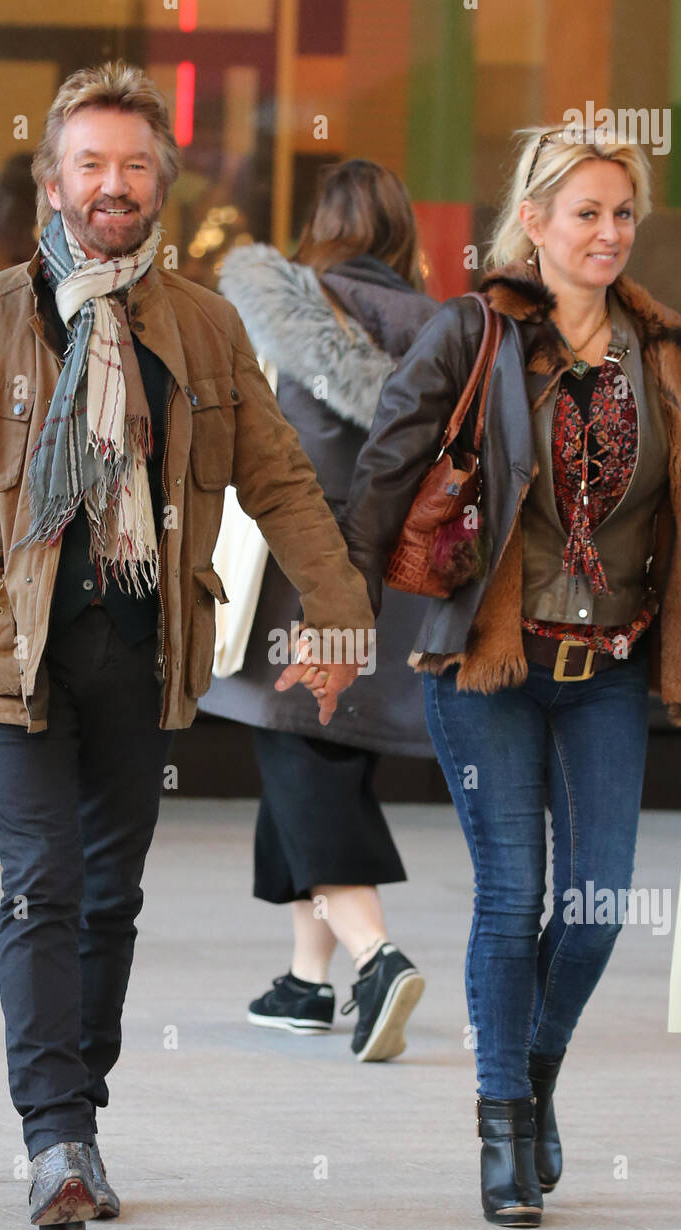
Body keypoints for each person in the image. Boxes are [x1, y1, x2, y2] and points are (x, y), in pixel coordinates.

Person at [0, 62, 374, 1230]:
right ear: (54, 181)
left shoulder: (203, 326)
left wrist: (341, 606)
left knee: (108, 898)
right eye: (91, 164)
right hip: (13, 656)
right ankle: (53, 1136)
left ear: (161, 186)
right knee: (42, 886)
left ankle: (77, 1117)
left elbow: (281, 479)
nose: (114, 185)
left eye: (135, 166)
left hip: (146, 653)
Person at [341, 125, 681, 1227]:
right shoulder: (472, 333)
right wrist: (332, 624)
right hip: (487, 665)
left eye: (623, 214)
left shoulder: (662, 350)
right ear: (534, 221)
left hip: (608, 672)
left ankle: (534, 1073)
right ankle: (498, 1133)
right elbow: (385, 470)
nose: (608, 233)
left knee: (598, 905)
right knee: (513, 895)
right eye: (585, 213)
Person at [199, 161, 438, 1060]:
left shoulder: (284, 312)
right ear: (400, 232)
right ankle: (307, 981)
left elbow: (264, 454)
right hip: (397, 590)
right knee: (317, 765)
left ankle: (377, 960)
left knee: (302, 762)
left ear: (322, 227)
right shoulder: (436, 329)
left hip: (301, 580)